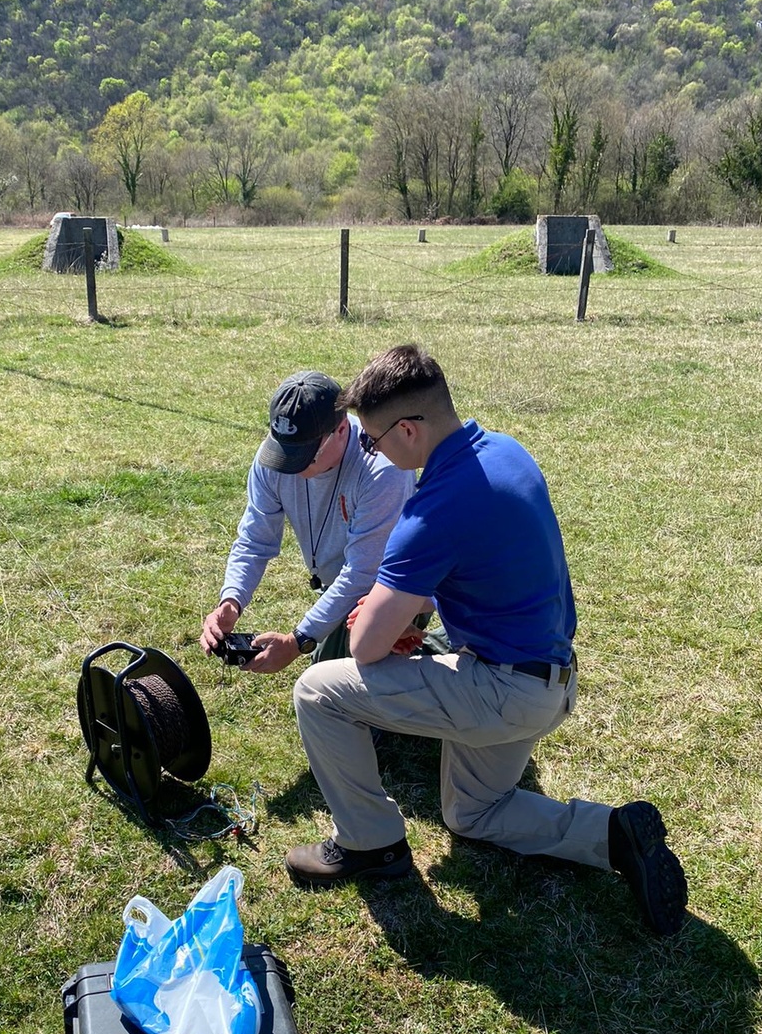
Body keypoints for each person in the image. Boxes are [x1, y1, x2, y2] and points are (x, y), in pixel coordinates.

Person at [284, 345, 689, 938]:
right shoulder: (505, 452)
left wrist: (377, 613)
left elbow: (365, 647)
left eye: (371, 440)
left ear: (409, 430)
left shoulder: (431, 509)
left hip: (505, 689)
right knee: (472, 813)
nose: (371, 451)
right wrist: (415, 616)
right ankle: (612, 834)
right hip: (552, 674)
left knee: (318, 690)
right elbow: (470, 569)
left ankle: (370, 843)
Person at [200, 369, 417, 674]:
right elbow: (255, 539)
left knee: (343, 685)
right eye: (285, 453)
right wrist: (231, 601)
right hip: (344, 585)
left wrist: (298, 640)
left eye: (305, 456)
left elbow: (362, 572)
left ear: (341, 430)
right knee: (333, 682)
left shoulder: (382, 470)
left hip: (389, 588)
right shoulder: (272, 459)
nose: (288, 467)